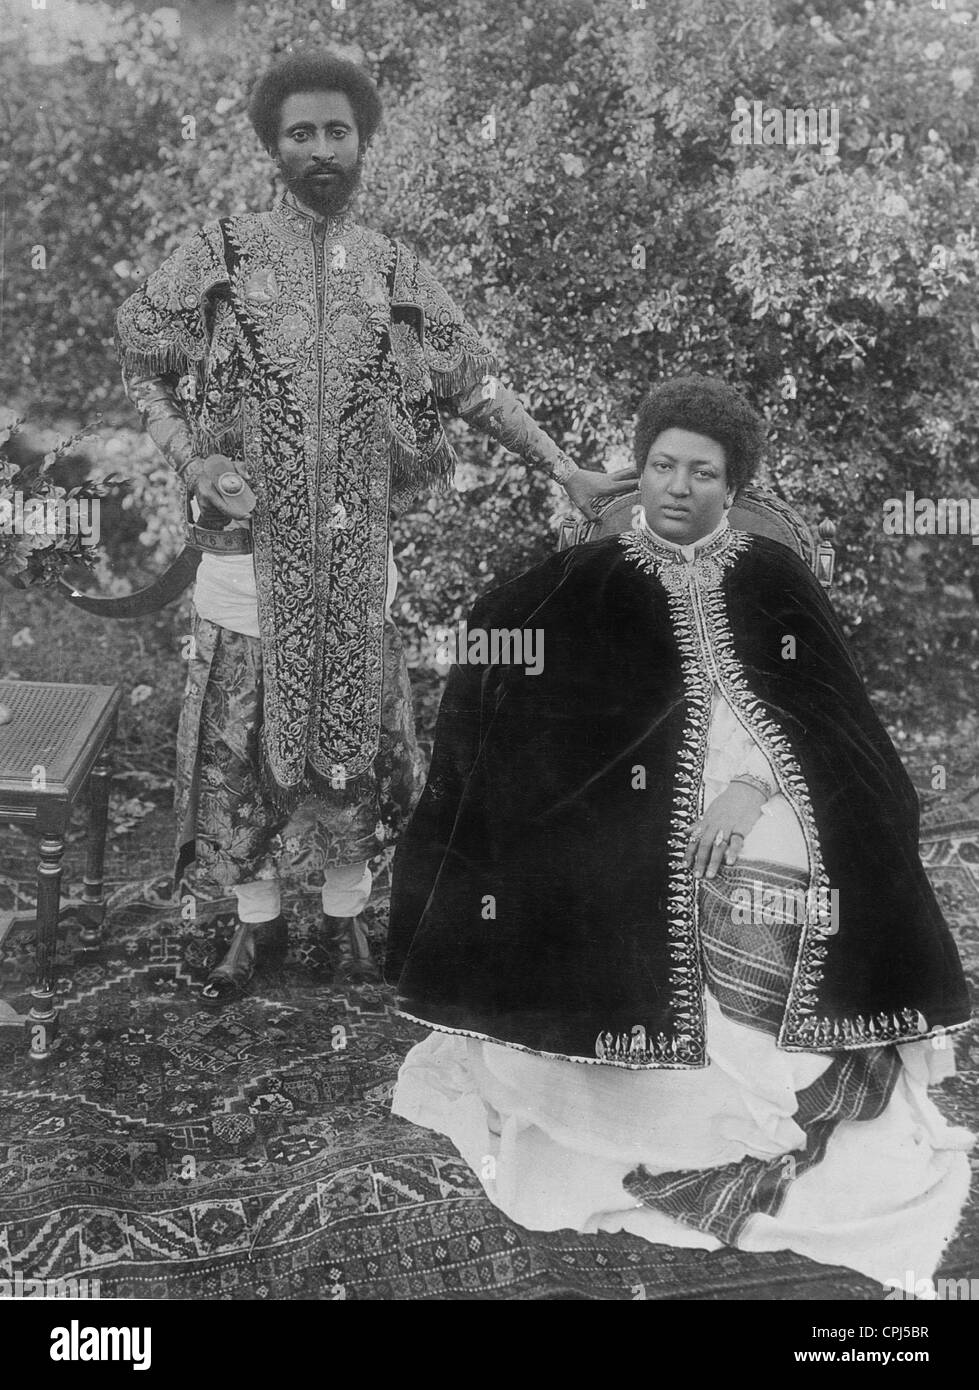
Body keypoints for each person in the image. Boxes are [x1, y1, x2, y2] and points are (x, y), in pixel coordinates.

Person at [386, 374, 973, 1285]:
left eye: (700, 472)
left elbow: (831, 721)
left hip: (774, 798)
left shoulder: (772, 575)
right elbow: (506, 652)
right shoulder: (590, 579)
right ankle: (643, 1117)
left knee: (770, 875)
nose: (675, 487)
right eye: (661, 465)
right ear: (641, 470)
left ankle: (774, 1099)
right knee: (620, 881)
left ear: (731, 487)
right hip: (633, 807)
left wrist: (745, 795)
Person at [114, 51, 631, 1002]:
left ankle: (350, 922)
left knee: (359, 749)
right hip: (243, 560)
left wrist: (566, 469)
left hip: (357, 562)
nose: (319, 149)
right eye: (299, 132)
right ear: (272, 145)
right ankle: (254, 928)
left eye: (336, 131)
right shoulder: (219, 256)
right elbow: (138, 355)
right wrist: (195, 461)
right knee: (239, 749)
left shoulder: (393, 270)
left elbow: (472, 383)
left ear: (362, 142)